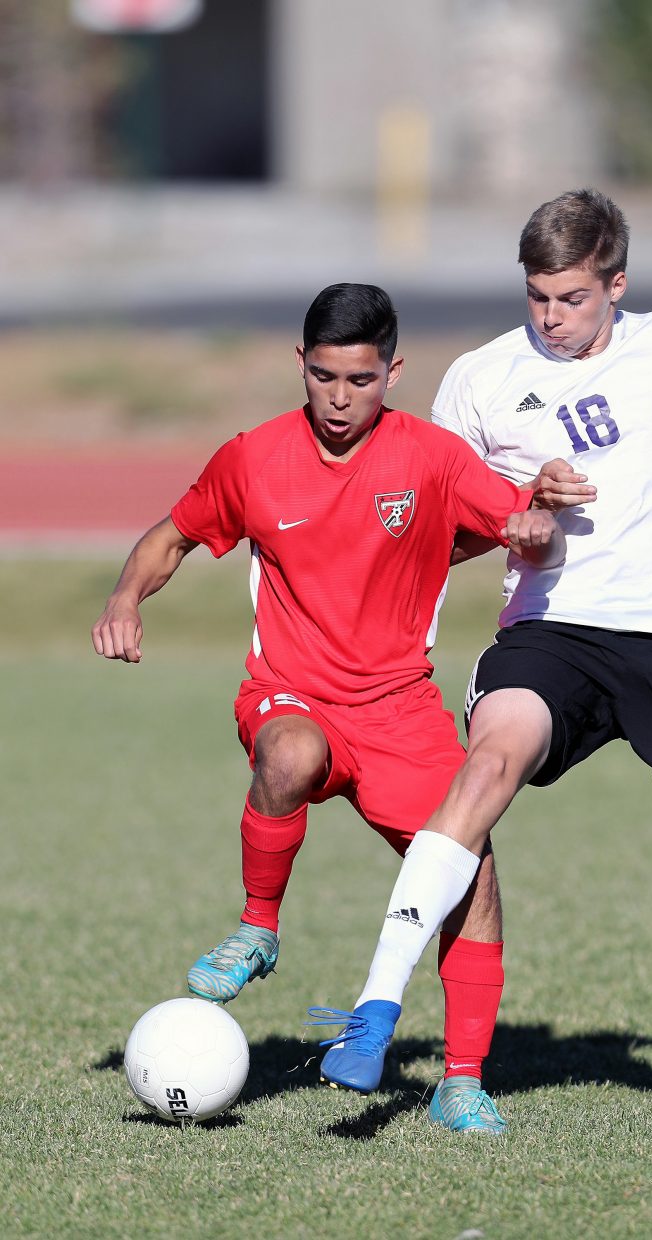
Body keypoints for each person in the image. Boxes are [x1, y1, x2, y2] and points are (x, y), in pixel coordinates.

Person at [322, 142, 652, 1124]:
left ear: (617, 283)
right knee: (485, 767)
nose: (549, 317)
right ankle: (374, 1008)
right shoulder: (483, 380)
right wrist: (511, 508)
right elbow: (433, 542)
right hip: (550, 633)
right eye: (536, 295)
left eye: (570, 297)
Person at [91, 283, 564, 1133]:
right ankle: (257, 929)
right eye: (322, 377)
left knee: (473, 879)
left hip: (400, 709)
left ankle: (459, 1083)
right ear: (299, 366)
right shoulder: (254, 457)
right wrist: (126, 599)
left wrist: (534, 524)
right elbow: (169, 536)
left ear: (393, 370)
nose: (340, 399)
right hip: (293, 691)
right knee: (290, 755)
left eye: (361, 379)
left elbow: (518, 517)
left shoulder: (432, 457)